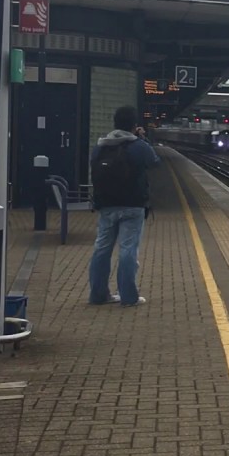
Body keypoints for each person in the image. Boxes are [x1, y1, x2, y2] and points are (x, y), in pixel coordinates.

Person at [88, 106, 160, 306]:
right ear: (134, 125)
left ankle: (97, 295)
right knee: (128, 249)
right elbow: (155, 162)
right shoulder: (138, 146)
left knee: (101, 248)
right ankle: (128, 297)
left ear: (115, 123)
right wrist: (142, 139)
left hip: (106, 205)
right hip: (132, 205)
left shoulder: (101, 146)